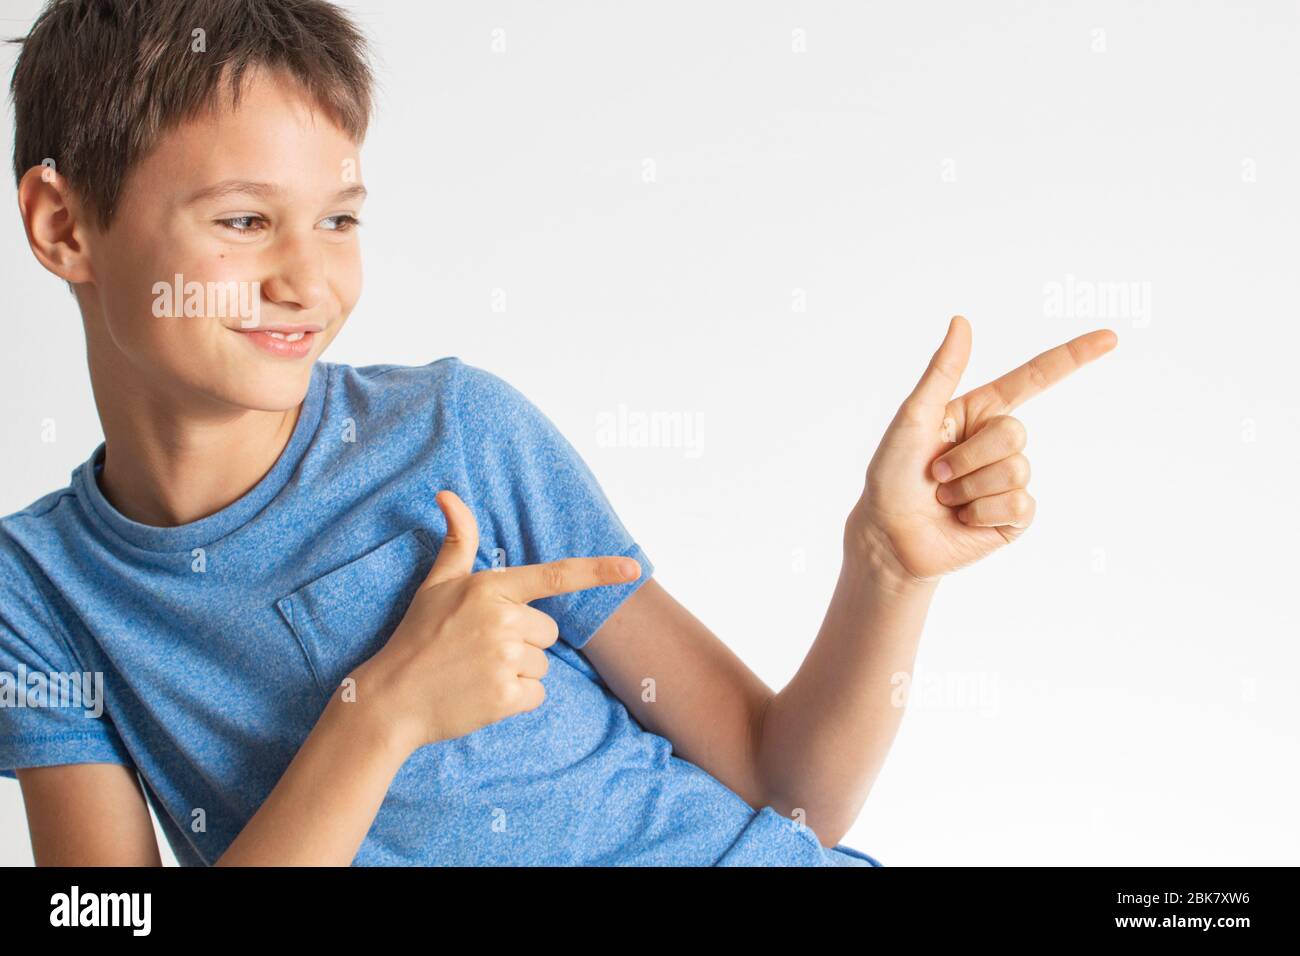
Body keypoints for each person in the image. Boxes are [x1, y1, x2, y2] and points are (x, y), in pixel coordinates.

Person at [0, 0, 1116, 866]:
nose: (310, 278)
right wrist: (378, 713)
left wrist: (885, 568)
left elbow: (792, 796)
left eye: (339, 219)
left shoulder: (455, 431)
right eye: (244, 221)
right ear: (63, 225)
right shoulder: (36, 593)